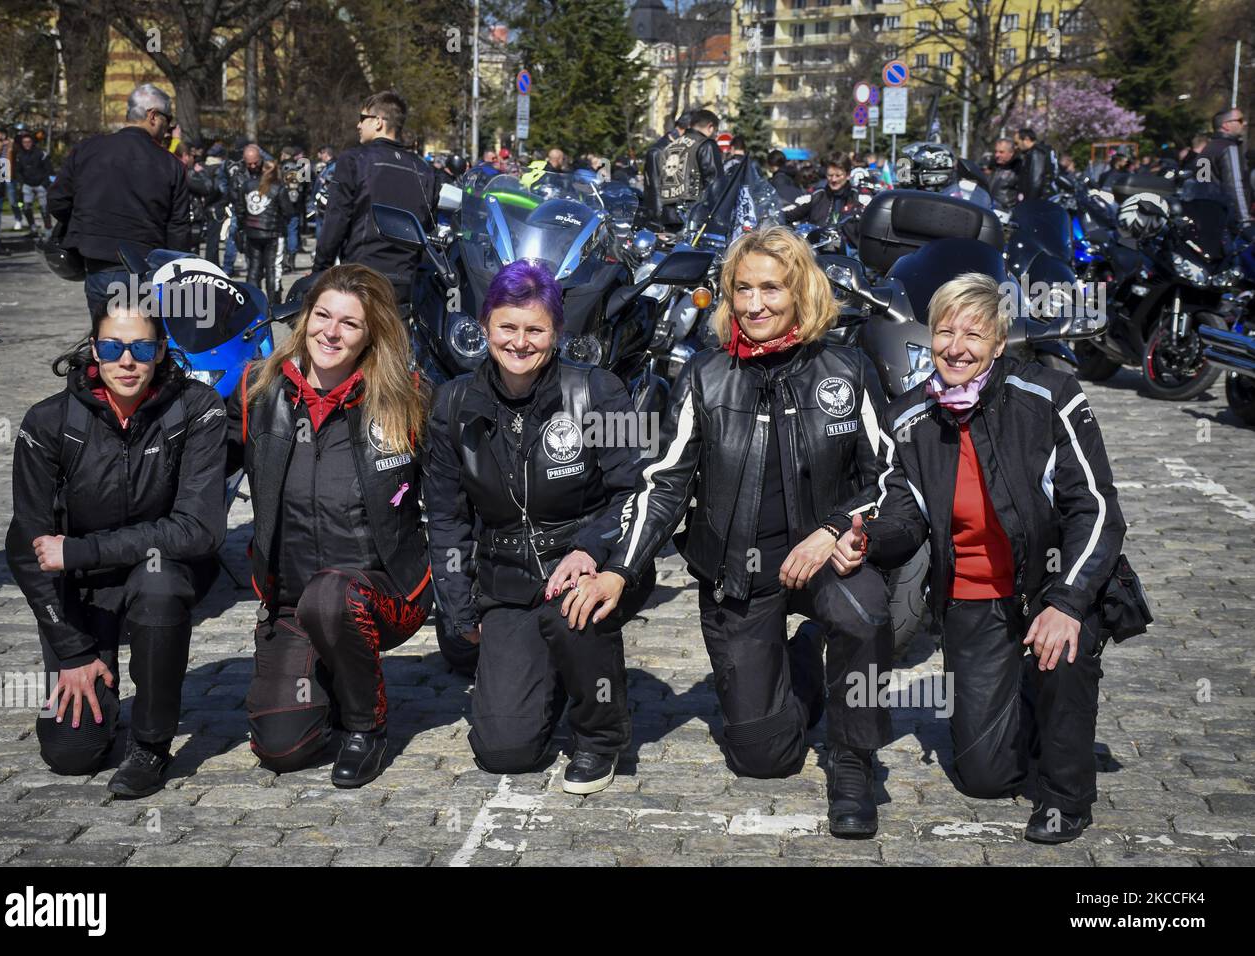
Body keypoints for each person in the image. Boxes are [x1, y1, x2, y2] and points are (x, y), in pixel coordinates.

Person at [579, 227, 894, 835]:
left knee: (862, 615)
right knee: (763, 759)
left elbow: (891, 474)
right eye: (742, 289)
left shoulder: (848, 368)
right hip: (738, 573)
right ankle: (802, 661)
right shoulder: (704, 376)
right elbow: (663, 483)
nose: (754, 305)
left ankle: (854, 760)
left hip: (829, 557)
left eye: (771, 288)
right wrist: (621, 568)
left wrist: (835, 528)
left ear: (801, 291)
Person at [839, 273, 1125, 843]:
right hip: (974, 597)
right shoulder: (909, 417)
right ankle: (1020, 699)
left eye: (974, 334)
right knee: (984, 777)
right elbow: (904, 517)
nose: (956, 347)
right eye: (944, 332)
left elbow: (1096, 509)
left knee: (1061, 652)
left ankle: (1067, 796)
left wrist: (1068, 601)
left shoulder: (1051, 397)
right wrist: (867, 538)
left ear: (999, 343)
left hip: (1052, 582)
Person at [425, 261, 656, 794]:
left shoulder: (600, 390)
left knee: (570, 614)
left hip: (586, 563)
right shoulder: (452, 404)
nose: (520, 341)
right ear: (485, 327)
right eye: (508, 327)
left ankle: (601, 734)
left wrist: (592, 550)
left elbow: (634, 490)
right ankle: (545, 676)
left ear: (556, 334)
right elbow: (446, 514)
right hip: (505, 578)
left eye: (536, 329)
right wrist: (459, 609)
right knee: (505, 749)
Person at [4, 297, 227, 796]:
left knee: (158, 584)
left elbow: (199, 530)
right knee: (72, 754)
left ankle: (151, 744)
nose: (127, 361)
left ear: (162, 351)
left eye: (141, 348)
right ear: (94, 350)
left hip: (158, 569)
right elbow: (26, 544)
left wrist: (83, 550)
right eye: (112, 346)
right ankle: (98, 681)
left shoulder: (198, 409)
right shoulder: (48, 422)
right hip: (80, 591)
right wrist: (73, 650)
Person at [226, 264, 433, 786]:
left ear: (372, 334)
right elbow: (200, 464)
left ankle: (367, 726)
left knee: (332, 597)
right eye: (322, 315)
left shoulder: (409, 398)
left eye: (350, 324)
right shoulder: (258, 389)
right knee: (282, 748)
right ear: (304, 319)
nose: (331, 332)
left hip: (383, 592)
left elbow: (455, 498)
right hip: (293, 600)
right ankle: (329, 675)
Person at [48, 83, 190, 315]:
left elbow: (58, 202)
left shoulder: (87, 149)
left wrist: (86, 227)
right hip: (145, 266)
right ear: (153, 115)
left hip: (98, 263)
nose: (168, 128)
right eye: (168, 119)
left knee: (106, 339)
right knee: (144, 342)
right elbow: (179, 228)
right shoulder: (170, 164)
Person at [313, 91, 440, 304]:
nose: (358, 125)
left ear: (379, 122)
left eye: (363, 119)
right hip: (405, 284)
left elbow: (336, 219)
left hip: (361, 279)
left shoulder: (354, 160)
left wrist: (320, 270)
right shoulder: (425, 171)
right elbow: (427, 230)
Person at [229, 149, 292, 302]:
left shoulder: (247, 185)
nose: (251, 166)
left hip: (253, 233)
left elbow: (240, 209)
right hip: (272, 233)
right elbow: (289, 211)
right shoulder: (278, 188)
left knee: (253, 269)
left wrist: (245, 225)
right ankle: (273, 303)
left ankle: (251, 302)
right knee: (272, 269)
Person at [1199, 108, 1252, 227]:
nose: (1244, 123)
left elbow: (1201, 182)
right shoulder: (1229, 148)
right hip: (1225, 218)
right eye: (1240, 120)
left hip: (1205, 213)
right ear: (1226, 125)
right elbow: (1235, 186)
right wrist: (1244, 220)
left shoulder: (1208, 147)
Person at [782, 160, 859, 228]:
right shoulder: (818, 195)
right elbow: (792, 214)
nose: (833, 179)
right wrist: (775, 215)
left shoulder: (856, 196)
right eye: (830, 175)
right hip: (819, 242)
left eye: (838, 175)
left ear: (848, 175)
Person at [175, 142, 219, 257]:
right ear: (185, 156)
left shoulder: (176, 169)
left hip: (187, 218)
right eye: (192, 157)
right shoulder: (185, 172)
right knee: (191, 254)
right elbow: (208, 187)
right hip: (189, 218)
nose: (194, 160)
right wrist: (200, 172)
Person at [13, 131, 54, 236]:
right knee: (26, 208)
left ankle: (49, 231)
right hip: (27, 185)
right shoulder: (20, 156)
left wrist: (45, 184)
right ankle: (33, 228)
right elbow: (17, 171)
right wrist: (22, 183)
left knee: (44, 210)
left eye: (29, 142)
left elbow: (49, 170)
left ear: (32, 142)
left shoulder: (41, 154)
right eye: (24, 142)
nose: (27, 144)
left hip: (41, 185)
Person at [1016, 128, 1058, 201]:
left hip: (1040, 200)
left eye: (1017, 143)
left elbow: (1036, 181)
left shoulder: (1036, 153)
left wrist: (1029, 203)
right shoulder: (1043, 150)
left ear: (1026, 139)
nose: (1016, 146)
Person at [987, 138, 1022, 212]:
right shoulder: (995, 166)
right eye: (996, 151)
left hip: (1007, 213)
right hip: (991, 208)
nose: (997, 155)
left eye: (1001, 152)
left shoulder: (1018, 168)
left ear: (1011, 152)